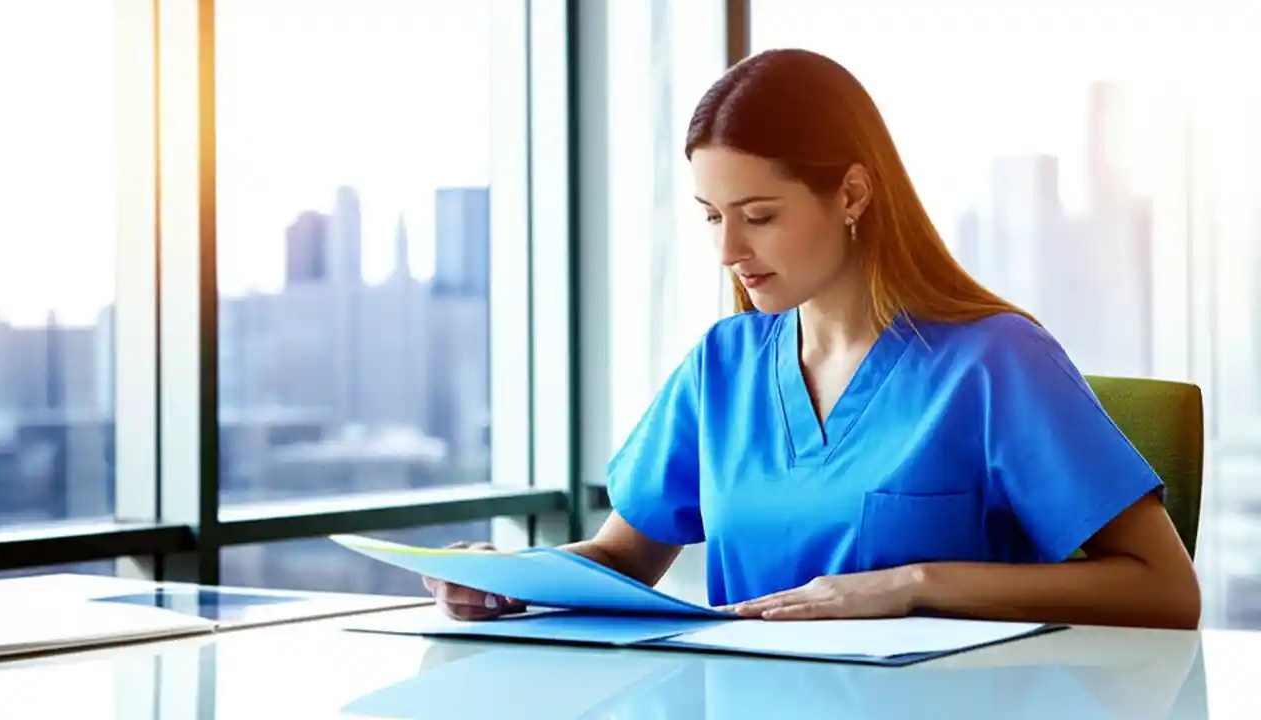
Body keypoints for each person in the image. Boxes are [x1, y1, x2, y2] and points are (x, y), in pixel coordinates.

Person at [424, 48, 1201, 629]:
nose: (729, 249)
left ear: (852, 193)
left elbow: (1164, 590)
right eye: (711, 217)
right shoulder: (722, 367)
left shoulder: (995, 362)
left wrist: (914, 584)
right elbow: (624, 560)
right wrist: (514, 576)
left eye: (758, 215)